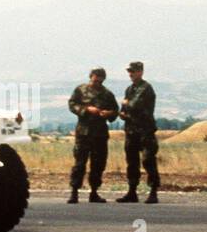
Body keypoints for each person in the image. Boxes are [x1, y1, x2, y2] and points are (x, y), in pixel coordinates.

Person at [66, 67, 118, 203]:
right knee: (79, 163)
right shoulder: (80, 90)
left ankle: (94, 192)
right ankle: (74, 192)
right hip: (84, 133)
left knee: (98, 164)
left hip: (100, 134)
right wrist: (86, 109)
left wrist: (108, 114)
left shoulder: (107, 94)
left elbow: (115, 111)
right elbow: (72, 104)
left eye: (101, 79)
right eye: (96, 78)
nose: (98, 81)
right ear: (91, 77)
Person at [116, 61, 160, 203]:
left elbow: (135, 104)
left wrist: (125, 104)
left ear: (140, 72)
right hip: (132, 130)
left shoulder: (145, 88)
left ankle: (153, 191)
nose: (131, 74)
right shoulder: (130, 89)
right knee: (132, 162)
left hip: (145, 130)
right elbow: (125, 109)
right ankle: (132, 191)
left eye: (133, 71)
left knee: (148, 161)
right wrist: (123, 111)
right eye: (129, 71)